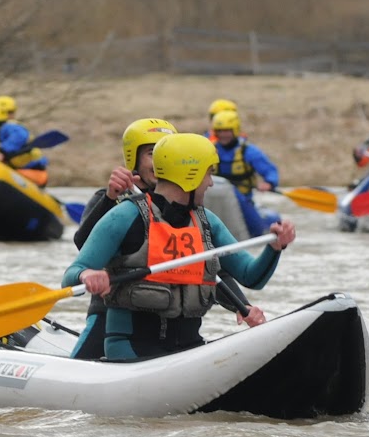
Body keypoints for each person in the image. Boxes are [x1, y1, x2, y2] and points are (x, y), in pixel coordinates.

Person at [63, 132, 294, 363]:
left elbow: (251, 276)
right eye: (208, 174)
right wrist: (87, 274)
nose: (211, 183)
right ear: (190, 175)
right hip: (132, 350)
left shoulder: (207, 222)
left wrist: (274, 248)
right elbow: (71, 275)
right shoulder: (125, 216)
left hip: (188, 349)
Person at [67, 118, 177, 358]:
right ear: (134, 159)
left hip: (166, 318)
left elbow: (211, 264)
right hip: (112, 313)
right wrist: (111, 198)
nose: (160, 161)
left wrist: (242, 307)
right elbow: (84, 245)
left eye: (165, 152)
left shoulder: (182, 206)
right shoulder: (108, 199)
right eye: (151, 153)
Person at [211, 108, 281, 238]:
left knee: (257, 231)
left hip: (242, 200)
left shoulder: (249, 151)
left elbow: (270, 170)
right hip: (214, 201)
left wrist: (269, 183)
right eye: (219, 131)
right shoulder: (209, 148)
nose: (222, 135)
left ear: (235, 130)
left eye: (226, 130)